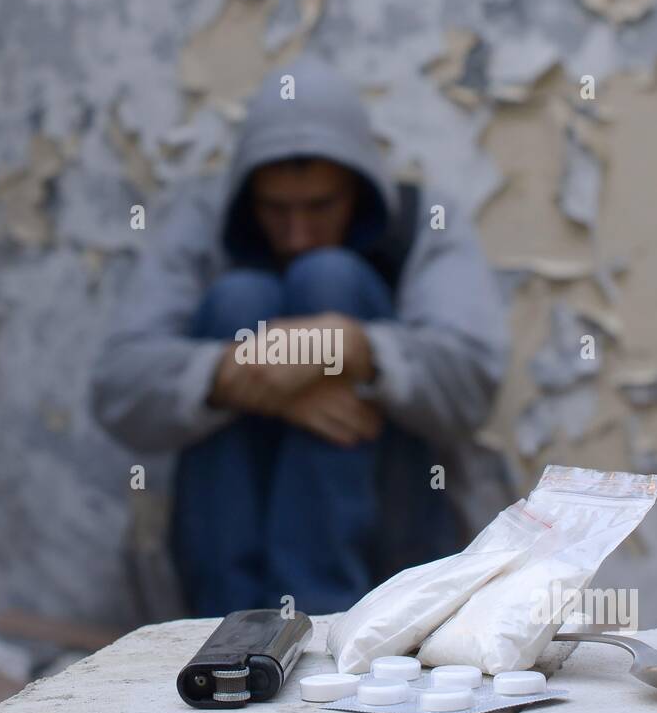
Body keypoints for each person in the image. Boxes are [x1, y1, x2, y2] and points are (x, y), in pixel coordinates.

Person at [91, 55, 510, 617]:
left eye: (321, 206)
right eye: (276, 209)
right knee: (241, 301)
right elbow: (118, 385)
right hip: (225, 533)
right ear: (248, 197)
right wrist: (237, 375)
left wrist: (354, 347)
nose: (298, 232)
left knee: (328, 277)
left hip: (394, 543)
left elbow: (472, 385)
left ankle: (326, 610)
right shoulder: (201, 222)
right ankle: (232, 627)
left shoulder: (425, 223)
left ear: (359, 191)